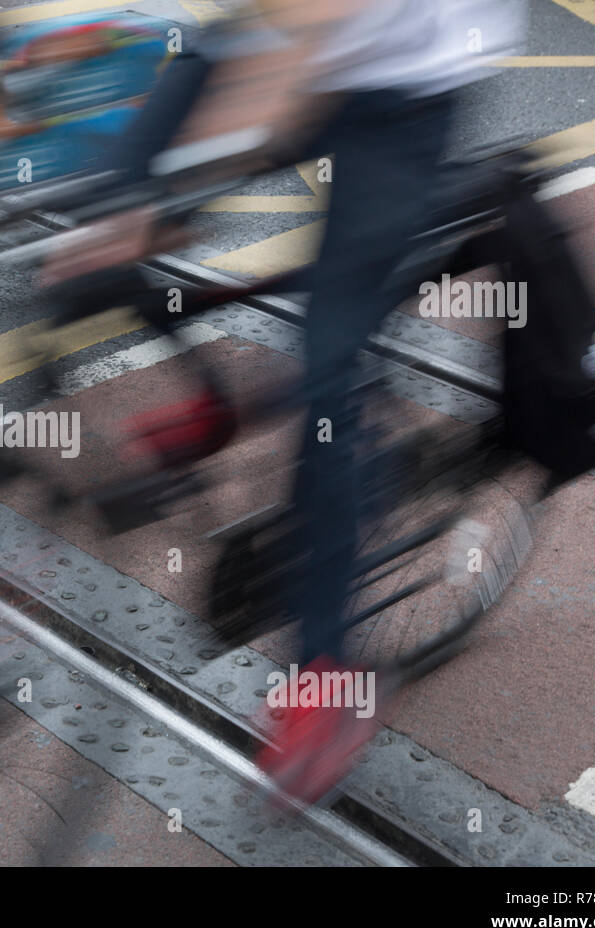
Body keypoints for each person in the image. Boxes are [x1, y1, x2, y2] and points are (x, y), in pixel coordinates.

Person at [43, 0, 527, 804]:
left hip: (402, 81)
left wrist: (180, 184)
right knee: (94, 238)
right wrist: (121, 202)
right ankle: (216, 402)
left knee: (330, 367)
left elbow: (300, 46)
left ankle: (327, 675)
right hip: (279, 36)